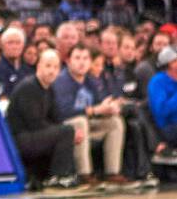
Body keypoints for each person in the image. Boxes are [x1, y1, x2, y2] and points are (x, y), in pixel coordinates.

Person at [51, 43, 129, 188]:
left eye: (85, 58)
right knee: (80, 122)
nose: (82, 62)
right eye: (77, 58)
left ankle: (112, 172)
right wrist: (94, 110)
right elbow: (63, 111)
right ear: (68, 61)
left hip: (88, 124)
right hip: (65, 127)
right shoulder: (62, 81)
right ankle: (84, 174)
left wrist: (110, 107)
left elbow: (100, 103)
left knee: (115, 122)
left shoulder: (90, 80)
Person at [4, 50, 83, 191]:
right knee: (66, 132)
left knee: (69, 130)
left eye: (55, 67)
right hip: (20, 139)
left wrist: (70, 132)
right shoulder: (28, 87)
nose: (52, 71)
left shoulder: (49, 89)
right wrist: (64, 131)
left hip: (35, 135)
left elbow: (56, 118)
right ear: (39, 66)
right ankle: (59, 176)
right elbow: (34, 123)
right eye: (48, 66)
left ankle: (69, 174)